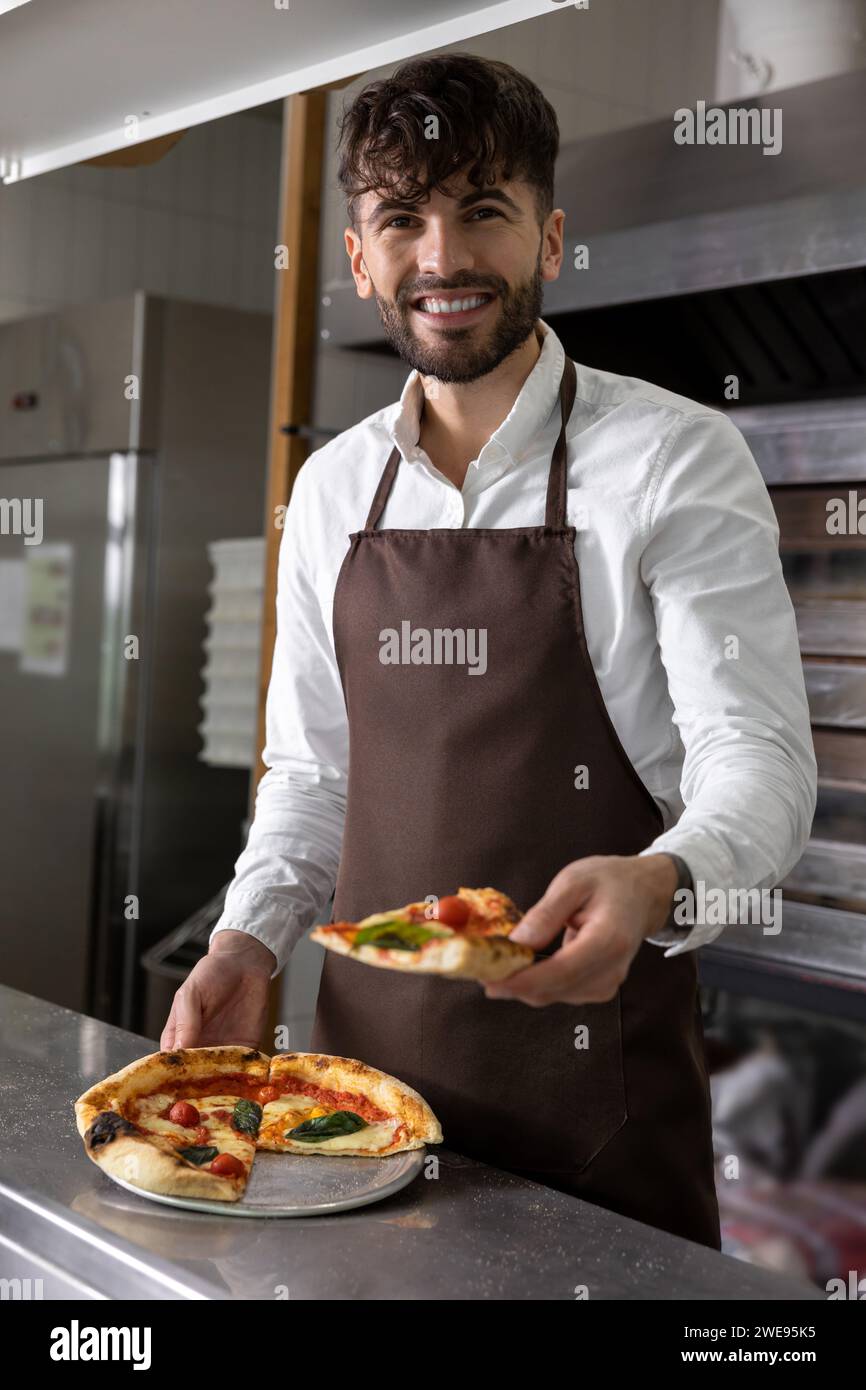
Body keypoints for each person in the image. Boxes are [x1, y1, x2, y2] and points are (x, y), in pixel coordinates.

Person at [162, 54, 816, 1248]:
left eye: (482, 211)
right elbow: (311, 777)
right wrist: (246, 939)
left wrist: (658, 882)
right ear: (358, 258)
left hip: (600, 1131)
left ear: (549, 237)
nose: (442, 259)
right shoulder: (330, 490)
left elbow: (763, 768)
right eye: (400, 220)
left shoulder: (673, 457)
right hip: (355, 1127)